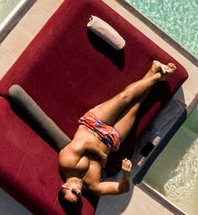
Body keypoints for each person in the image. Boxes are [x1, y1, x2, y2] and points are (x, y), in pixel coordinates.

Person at [58, 60, 177, 204]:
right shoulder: (94, 186)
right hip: (112, 140)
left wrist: (102, 156)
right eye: (77, 196)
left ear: (64, 186)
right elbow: (121, 189)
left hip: (94, 125)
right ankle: (154, 69)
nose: (77, 192)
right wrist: (126, 177)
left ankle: (158, 77)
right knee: (135, 107)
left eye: (72, 192)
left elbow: (83, 144)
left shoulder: (66, 164)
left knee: (124, 97)